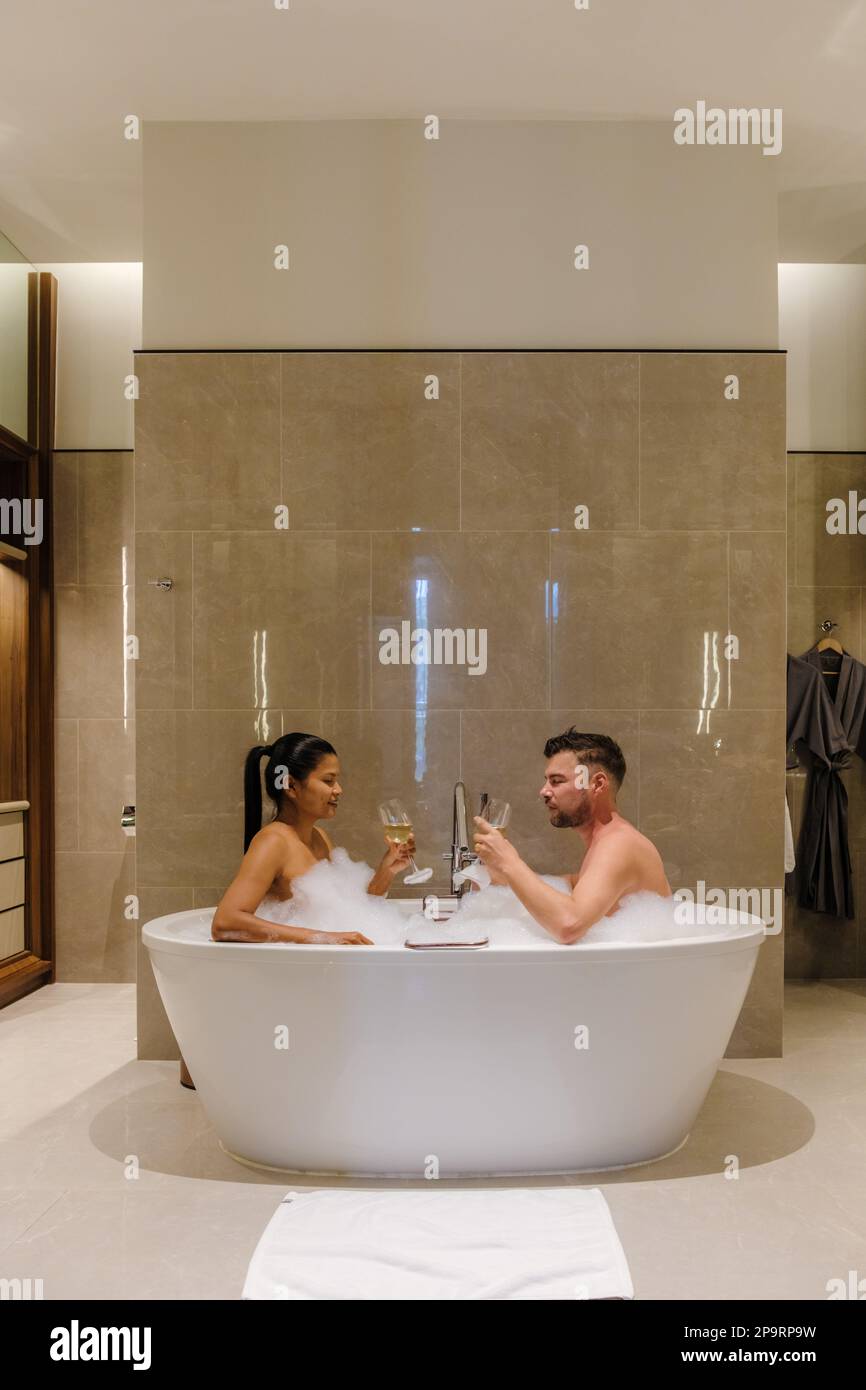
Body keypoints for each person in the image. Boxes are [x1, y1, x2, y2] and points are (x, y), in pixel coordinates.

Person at [211, 733, 414, 944]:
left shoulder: (319, 837)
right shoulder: (273, 842)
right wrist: (322, 937)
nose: (338, 790)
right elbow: (225, 923)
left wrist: (387, 870)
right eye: (328, 781)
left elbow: (351, 907)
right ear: (291, 786)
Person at [473, 729, 671, 944]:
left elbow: (569, 926)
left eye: (557, 781)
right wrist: (504, 875)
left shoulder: (620, 843)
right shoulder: (605, 840)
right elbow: (571, 885)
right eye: (547, 781)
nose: (544, 791)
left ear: (597, 784)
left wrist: (509, 862)